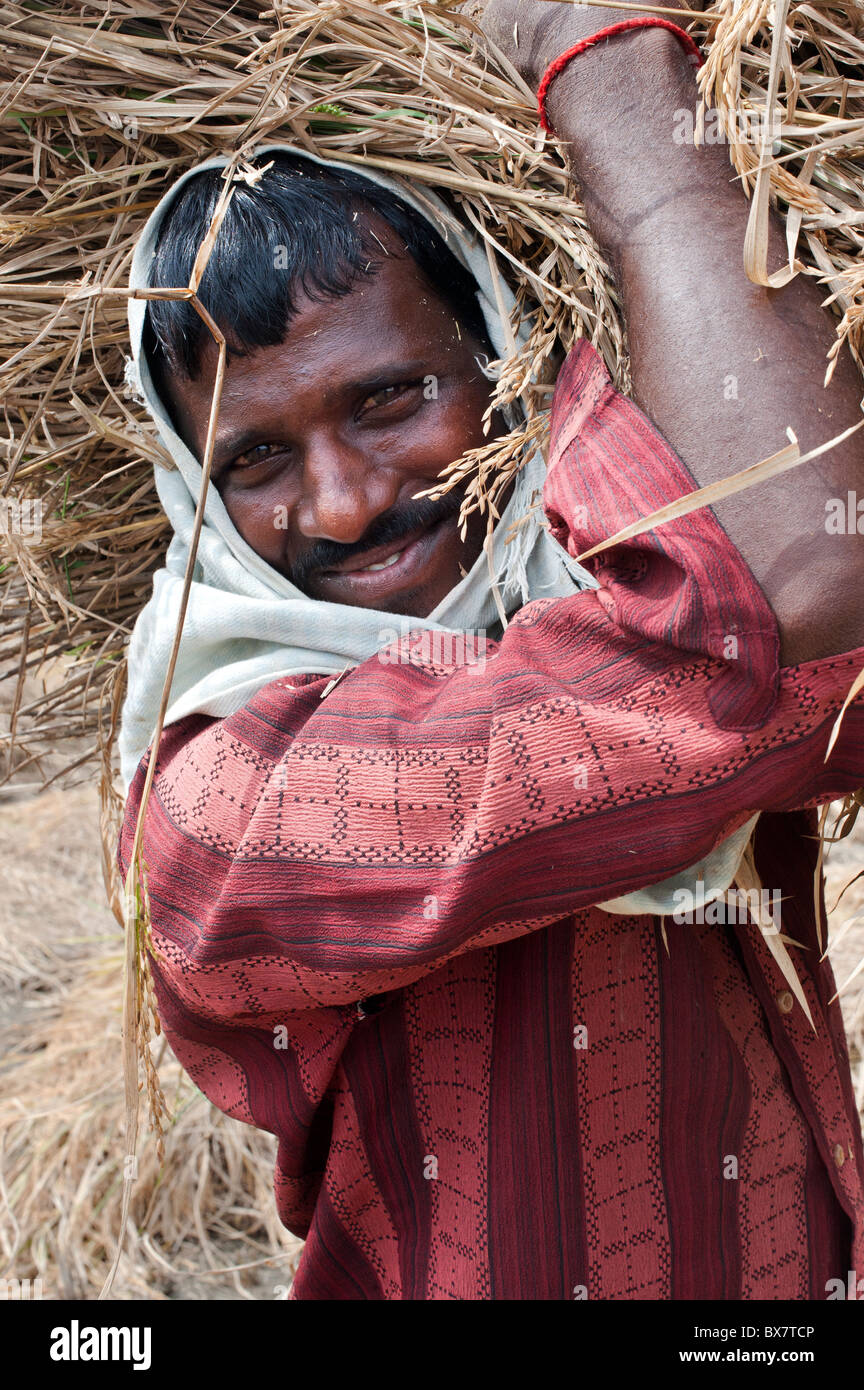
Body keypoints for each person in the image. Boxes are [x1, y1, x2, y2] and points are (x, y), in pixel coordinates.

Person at [119, 0, 864, 1299]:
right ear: (192, 492)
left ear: (514, 361)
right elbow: (799, 589)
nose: (344, 504)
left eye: (393, 396)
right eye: (254, 459)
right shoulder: (224, 805)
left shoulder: (611, 585)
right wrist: (617, 84)